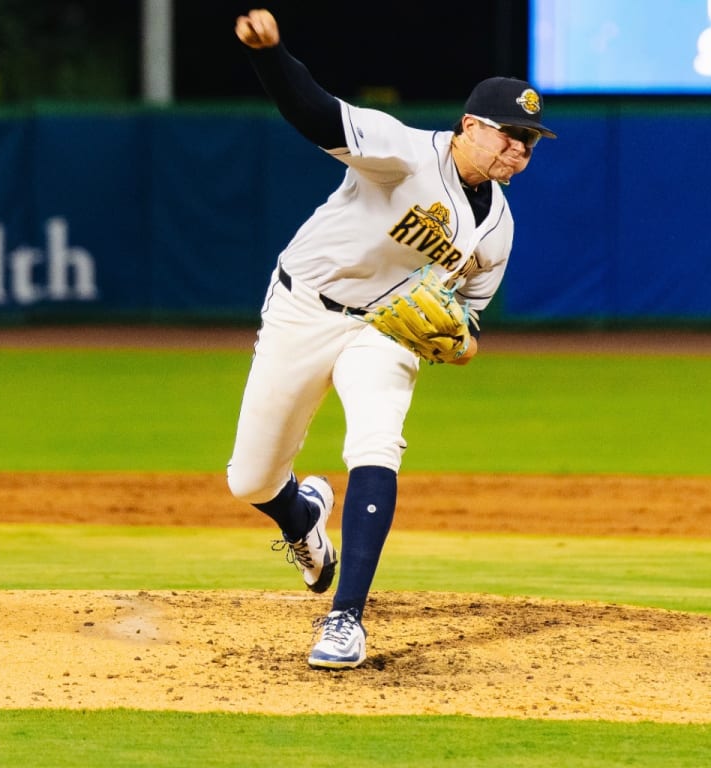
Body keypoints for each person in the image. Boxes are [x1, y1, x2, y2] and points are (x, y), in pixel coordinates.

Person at [225, 8, 555, 669]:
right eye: (510, 135)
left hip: (382, 330)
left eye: (530, 140)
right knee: (250, 480)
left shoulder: (499, 232)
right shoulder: (403, 151)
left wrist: (458, 345)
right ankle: (301, 517)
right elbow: (314, 112)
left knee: (377, 442)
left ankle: (345, 619)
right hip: (303, 308)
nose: (520, 148)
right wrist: (270, 53)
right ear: (470, 127)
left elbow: (466, 327)